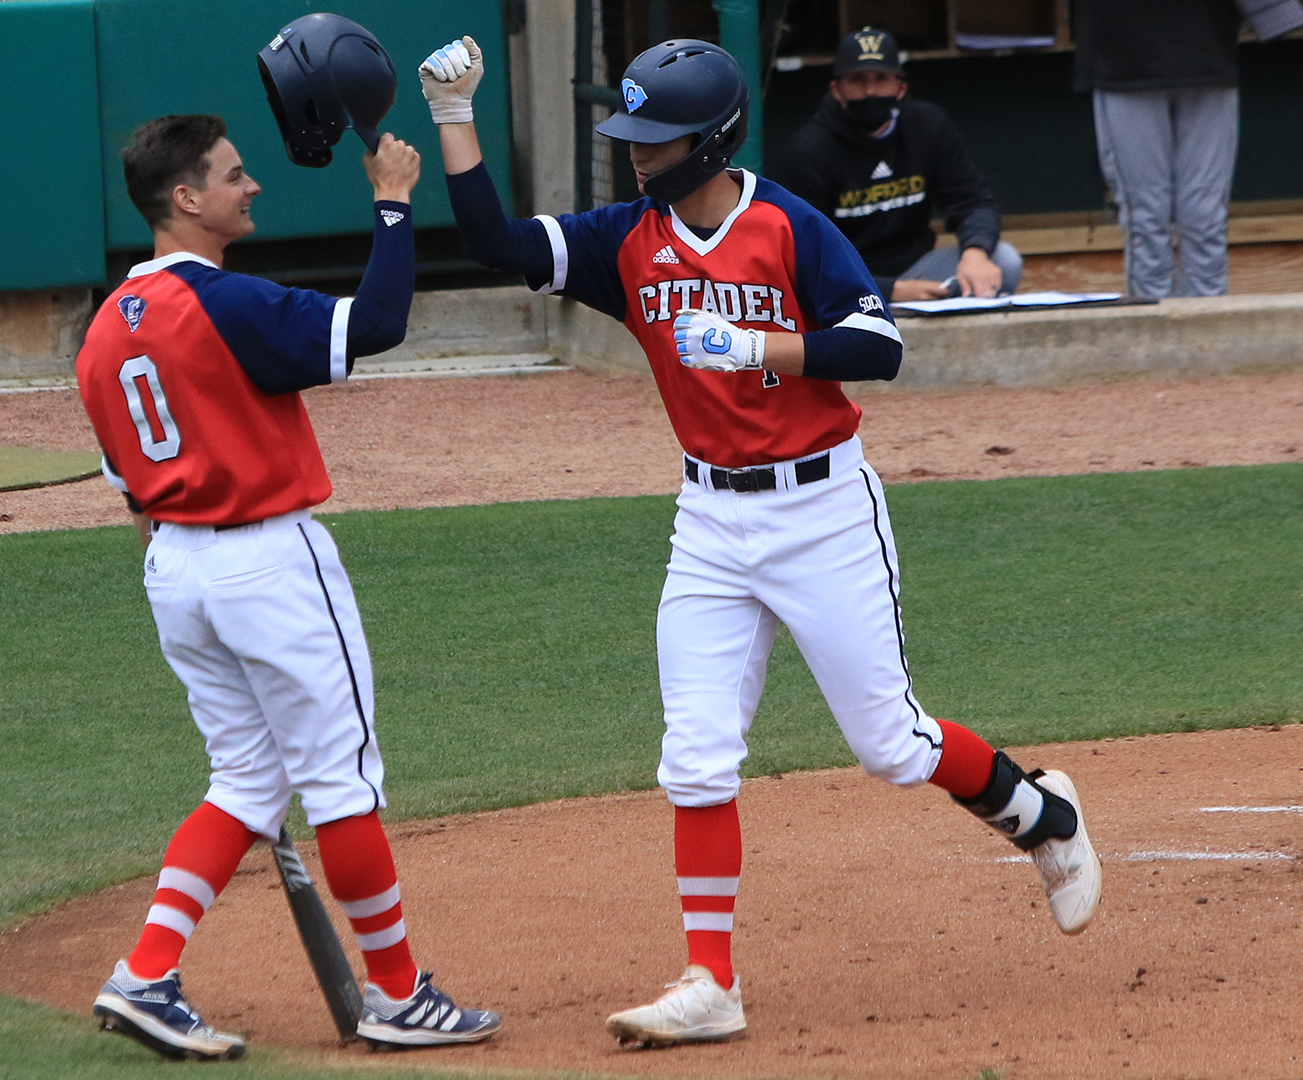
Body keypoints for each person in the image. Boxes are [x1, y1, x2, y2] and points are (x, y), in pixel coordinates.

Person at [418, 36, 1102, 1048]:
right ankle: (711, 982)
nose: (636, 154)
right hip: (708, 521)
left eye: (655, 139)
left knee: (891, 745)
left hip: (822, 512)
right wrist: (455, 116)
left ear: (711, 141)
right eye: (633, 136)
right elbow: (496, 243)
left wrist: (755, 346)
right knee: (695, 757)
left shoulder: (787, 224)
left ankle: (1044, 817)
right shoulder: (626, 237)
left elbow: (879, 345)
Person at [73, 113, 501, 1060]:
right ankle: (398, 994)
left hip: (173, 569)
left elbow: (129, 492)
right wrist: (392, 202)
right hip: (266, 562)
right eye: (233, 175)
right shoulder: (225, 304)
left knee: (246, 780)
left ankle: (145, 974)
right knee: (340, 781)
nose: (252, 185)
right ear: (185, 198)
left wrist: (190, 566)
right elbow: (376, 325)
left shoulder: (101, 332)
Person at [769, 28, 1021, 303]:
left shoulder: (927, 126)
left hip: (916, 271)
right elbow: (803, 257)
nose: (870, 91)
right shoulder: (808, 152)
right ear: (836, 90)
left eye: (881, 79)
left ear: (901, 88)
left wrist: (975, 252)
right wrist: (891, 291)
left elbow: (973, 201)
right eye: (857, 80)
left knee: (1004, 261)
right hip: (846, 283)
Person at [1075, 0, 1303, 298]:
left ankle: (1205, 319)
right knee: (1147, 217)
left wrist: (1275, 14)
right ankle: (1154, 320)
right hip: (1124, 59)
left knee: (1202, 216)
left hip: (1206, 52)